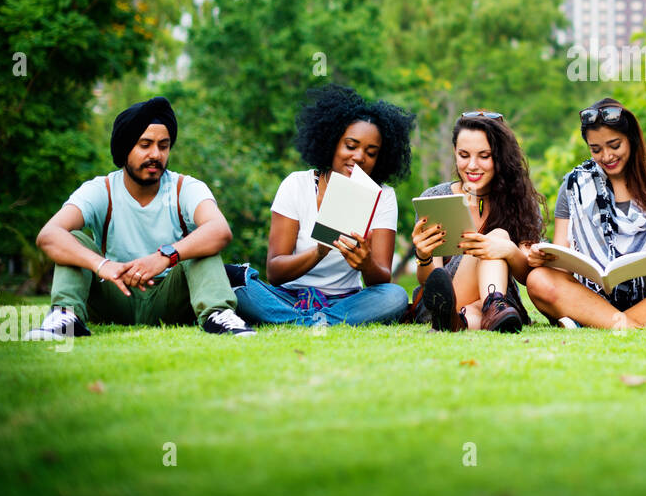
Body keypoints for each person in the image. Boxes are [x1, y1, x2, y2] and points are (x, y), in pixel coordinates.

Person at [29, 96, 252, 340]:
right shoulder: (101, 190)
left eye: (163, 146)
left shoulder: (185, 187)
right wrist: (103, 266)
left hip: (171, 300)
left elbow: (220, 230)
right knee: (71, 239)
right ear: (125, 149)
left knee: (202, 243)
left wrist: (165, 257)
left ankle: (218, 316)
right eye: (145, 145)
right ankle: (65, 318)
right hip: (113, 295)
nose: (155, 154)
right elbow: (49, 235)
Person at [525, 99, 646, 330]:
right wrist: (546, 258)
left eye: (614, 145)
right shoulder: (574, 185)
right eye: (595, 149)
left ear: (632, 139)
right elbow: (561, 268)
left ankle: (598, 323)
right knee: (538, 280)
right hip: (588, 298)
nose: (606, 156)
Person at [233, 84, 414, 327]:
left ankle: (299, 323)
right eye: (350, 146)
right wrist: (319, 251)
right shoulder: (296, 185)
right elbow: (275, 273)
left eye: (371, 152)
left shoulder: (382, 195)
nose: (359, 157)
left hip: (346, 301)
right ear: (332, 143)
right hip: (288, 297)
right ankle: (316, 321)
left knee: (395, 297)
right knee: (234, 280)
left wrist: (365, 262)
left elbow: (380, 279)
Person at [413, 111, 540, 332]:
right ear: (454, 152)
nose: (472, 165)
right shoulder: (436, 198)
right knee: (497, 235)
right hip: (446, 298)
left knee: (479, 309)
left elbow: (528, 275)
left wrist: (509, 250)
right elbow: (431, 281)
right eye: (464, 155)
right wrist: (423, 257)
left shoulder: (519, 199)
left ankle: (459, 322)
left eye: (484, 156)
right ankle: (490, 307)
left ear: (500, 156)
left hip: (498, 301)